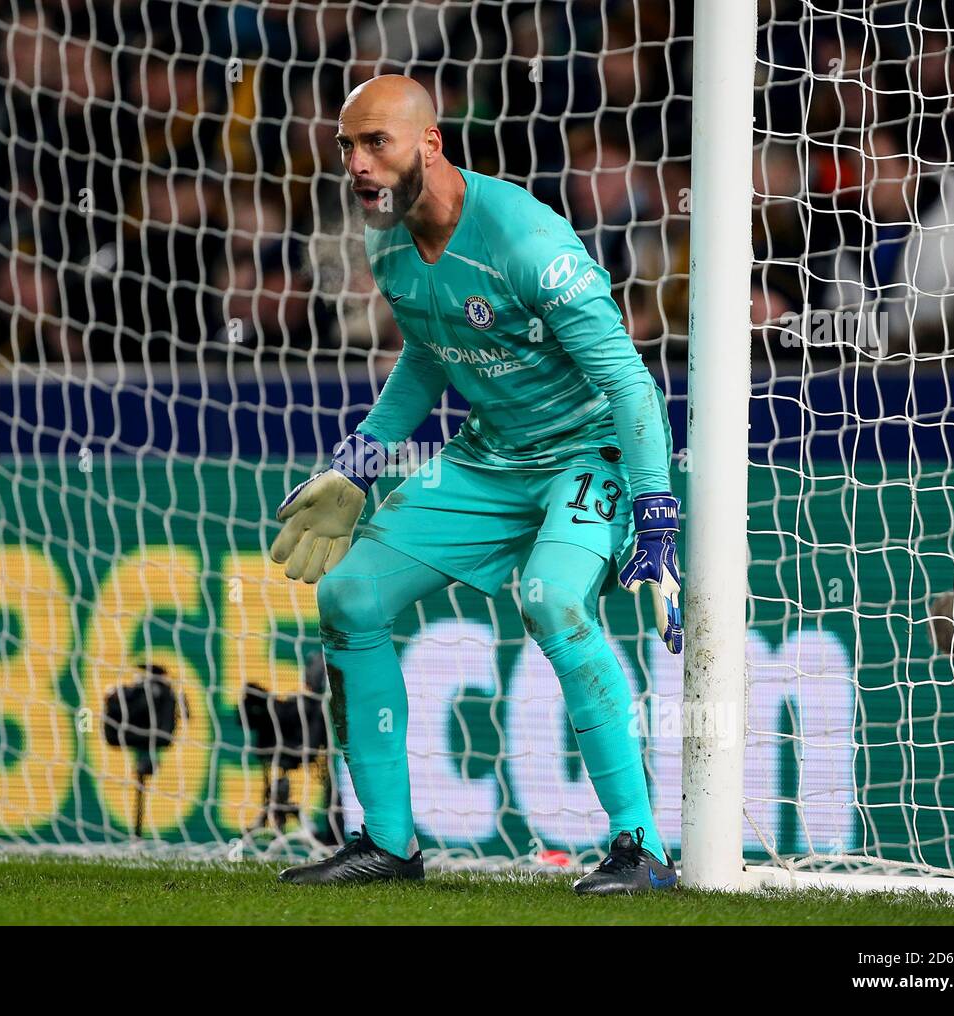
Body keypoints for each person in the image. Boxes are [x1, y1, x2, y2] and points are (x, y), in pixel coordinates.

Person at [268, 75, 682, 895]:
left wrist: (656, 511)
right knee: (348, 597)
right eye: (346, 145)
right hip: (489, 458)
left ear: (430, 143)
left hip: (586, 453)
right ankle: (387, 844)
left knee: (553, 599)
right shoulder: (385, 238)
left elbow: (629, 384)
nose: (355, 163)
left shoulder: (528, 241)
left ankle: (640, 849)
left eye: (374, 142)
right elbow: (429, 351)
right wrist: (362, 458)